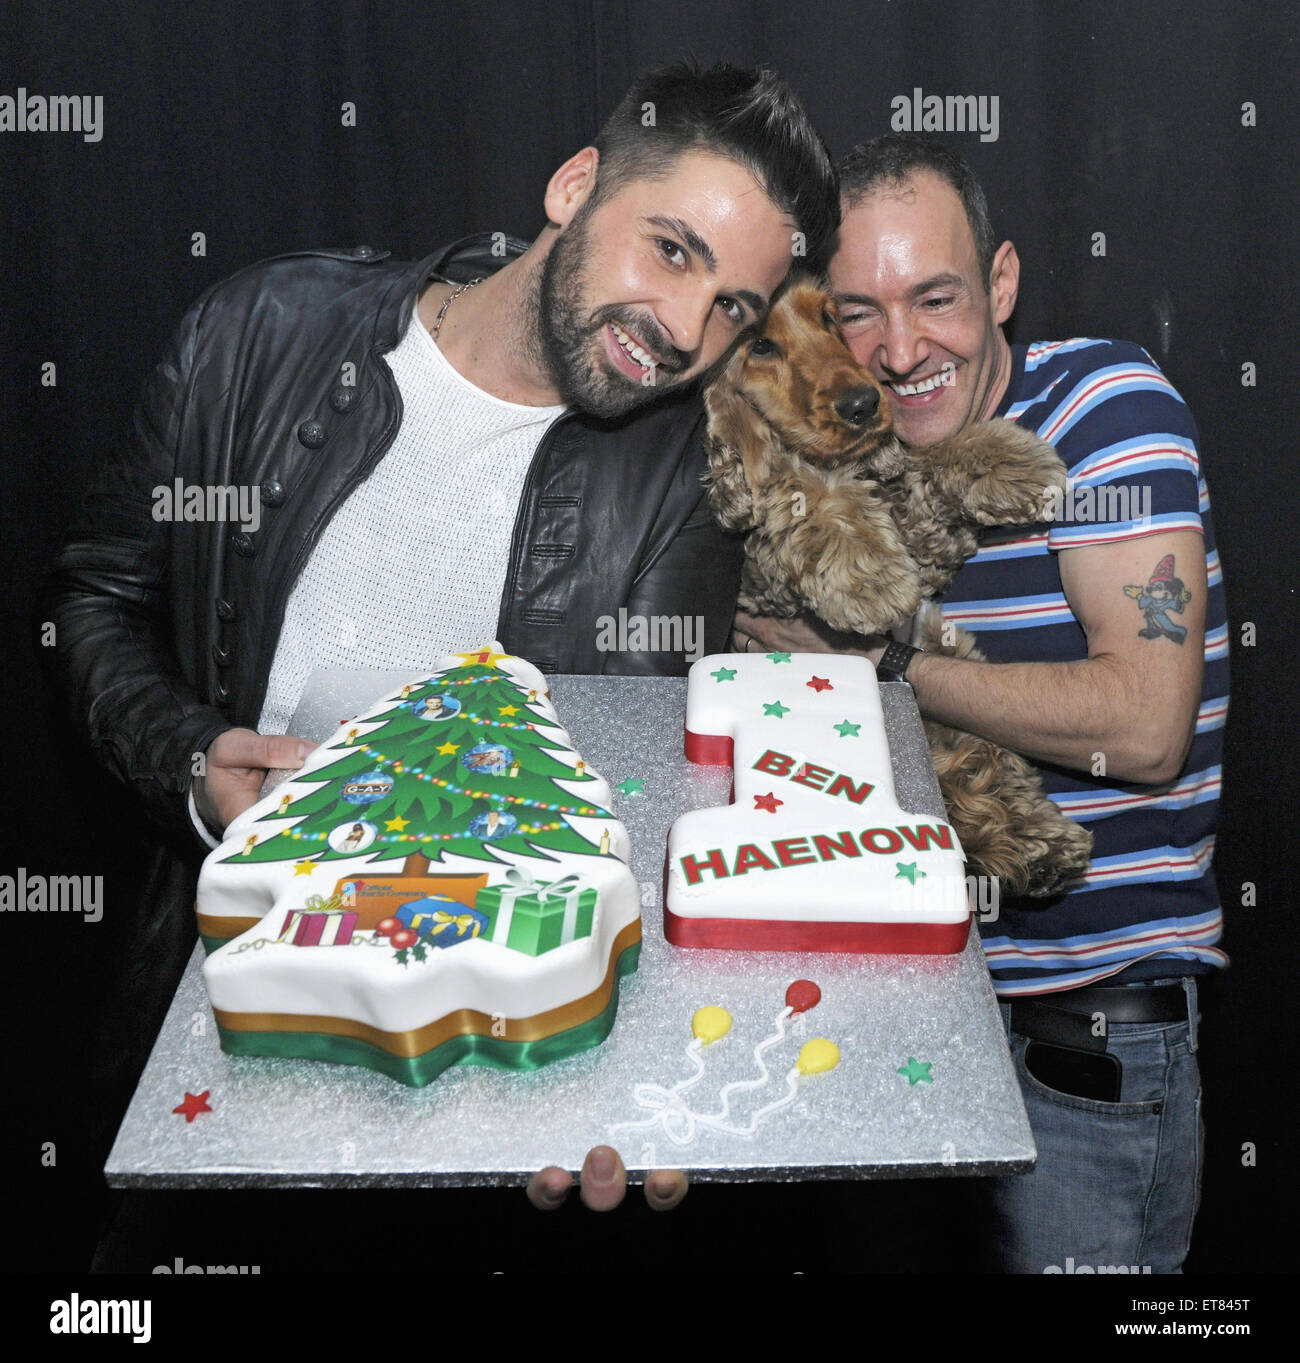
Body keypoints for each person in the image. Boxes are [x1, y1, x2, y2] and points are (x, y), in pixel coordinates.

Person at [40, 60, 839, 1218]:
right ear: (575, 187)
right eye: (671, 249)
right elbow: (88, 599)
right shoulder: (259, 330)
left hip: (478, 1099)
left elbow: (614, 811)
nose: (680, 331)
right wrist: (187, 759)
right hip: (226, 1046)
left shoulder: (679, 479)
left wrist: (638, 1077)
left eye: (732, 309)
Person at [730, 134, 1228, 1271]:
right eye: (857, 312)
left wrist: (880, 657)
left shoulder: (1101, 406)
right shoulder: (833, 464)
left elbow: (1145, 726)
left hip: (1078, 1050)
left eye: (936, 298)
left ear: (1000, 284)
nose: (901, 350)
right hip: (881, 1030)